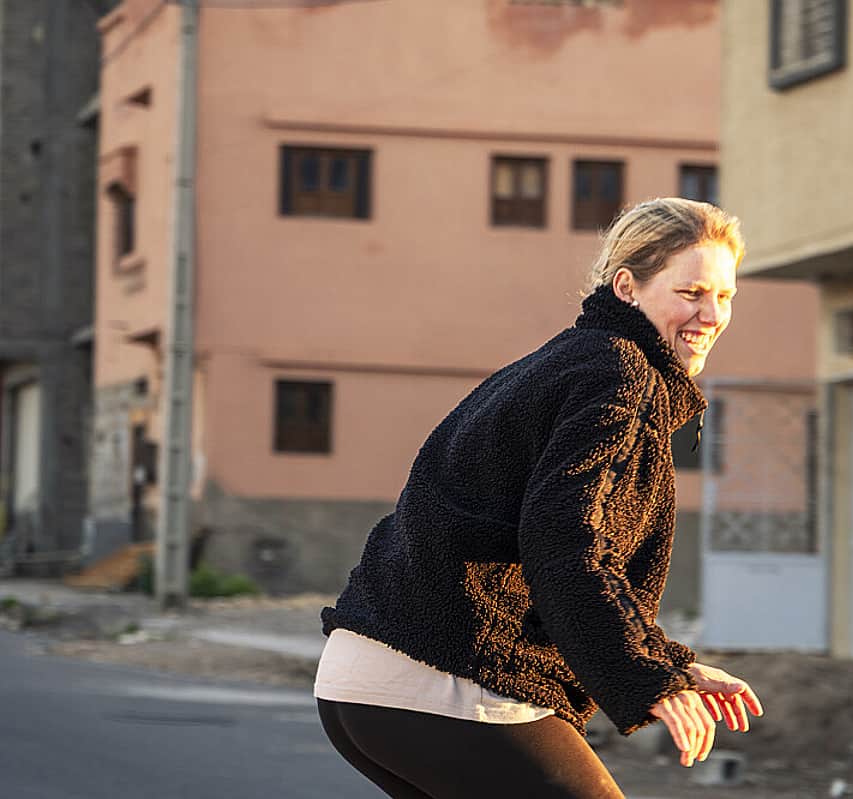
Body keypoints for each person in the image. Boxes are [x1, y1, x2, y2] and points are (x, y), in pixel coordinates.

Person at [315, 197, 764, 798]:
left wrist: (665, 662)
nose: (711, 314)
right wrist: (642, 677)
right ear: (627, 287)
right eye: (691, 293)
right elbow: (565, 545)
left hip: (365, 681)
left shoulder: (567, 363)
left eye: (725, 296)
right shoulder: (617, 375)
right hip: (448, 681)